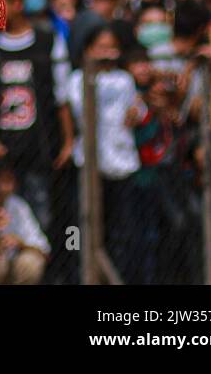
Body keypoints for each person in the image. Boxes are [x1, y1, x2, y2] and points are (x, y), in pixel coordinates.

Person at [0, 0, 75, 236]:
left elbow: (61, 95)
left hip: (38, 148)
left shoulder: (48, 41)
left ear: (18, 2)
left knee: (40, 219)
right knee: (2, 221)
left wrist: (67, 141)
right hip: (1, 152)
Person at [66, 24, 143, 281]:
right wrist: (95, 68)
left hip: (121, 162)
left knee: (123, 230)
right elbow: (82, 107)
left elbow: (136, 111)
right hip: (90, 162)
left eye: (112, 47)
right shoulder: (78, 79)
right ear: (88, 50)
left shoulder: (124, 79)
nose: (107, 52)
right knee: (85, 227)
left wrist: (137, 111)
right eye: (101, 47)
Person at [0, 158, 50, 284]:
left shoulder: (18, 206)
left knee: (32, 261)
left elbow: (43, 251)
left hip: (10, 268)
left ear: (13, 184)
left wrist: (20, 243)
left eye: (5, 181)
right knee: (0, 262)